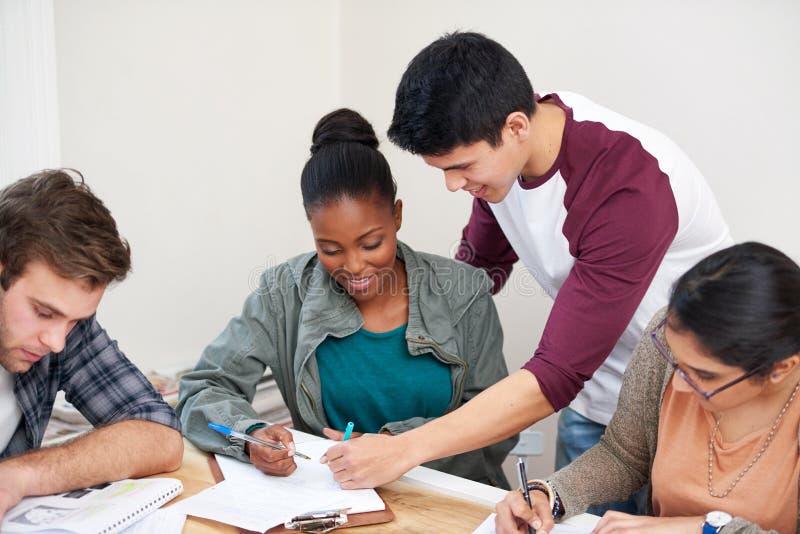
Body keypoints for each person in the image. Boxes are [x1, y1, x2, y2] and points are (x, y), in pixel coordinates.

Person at [321, 31, 732, 508]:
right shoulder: (504, 164)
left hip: (693, 407)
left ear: (517, 127)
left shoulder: (628, 186)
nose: (454, 185)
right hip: (597, 408)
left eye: (462, 166)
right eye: (442, 171)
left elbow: (556, 372)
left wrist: (404, 449)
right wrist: (387, 329)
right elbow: (479, 273)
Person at [176, 108, 517, 487]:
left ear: (397, 216)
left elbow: (499, 423)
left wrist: (397, 448)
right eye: (330, 248)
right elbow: (203, 389)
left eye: (371, 243)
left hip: (446, 506)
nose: (354, 266)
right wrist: (250, 433)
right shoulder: (283, 294)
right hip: (334, 506)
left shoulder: (464, 293)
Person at [495, 242, 800, 534]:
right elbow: (624, 456)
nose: (677, 385)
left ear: (781, 368)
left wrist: (704, 528)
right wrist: (550, 493)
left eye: (703, 376)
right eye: (675, 360)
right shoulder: (669, 336)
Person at [0, 170, 183, 521]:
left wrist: (21, 475)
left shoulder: (65, 330)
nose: (56, 342)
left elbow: (160, 435)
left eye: (74, 321)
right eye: (42, 312)